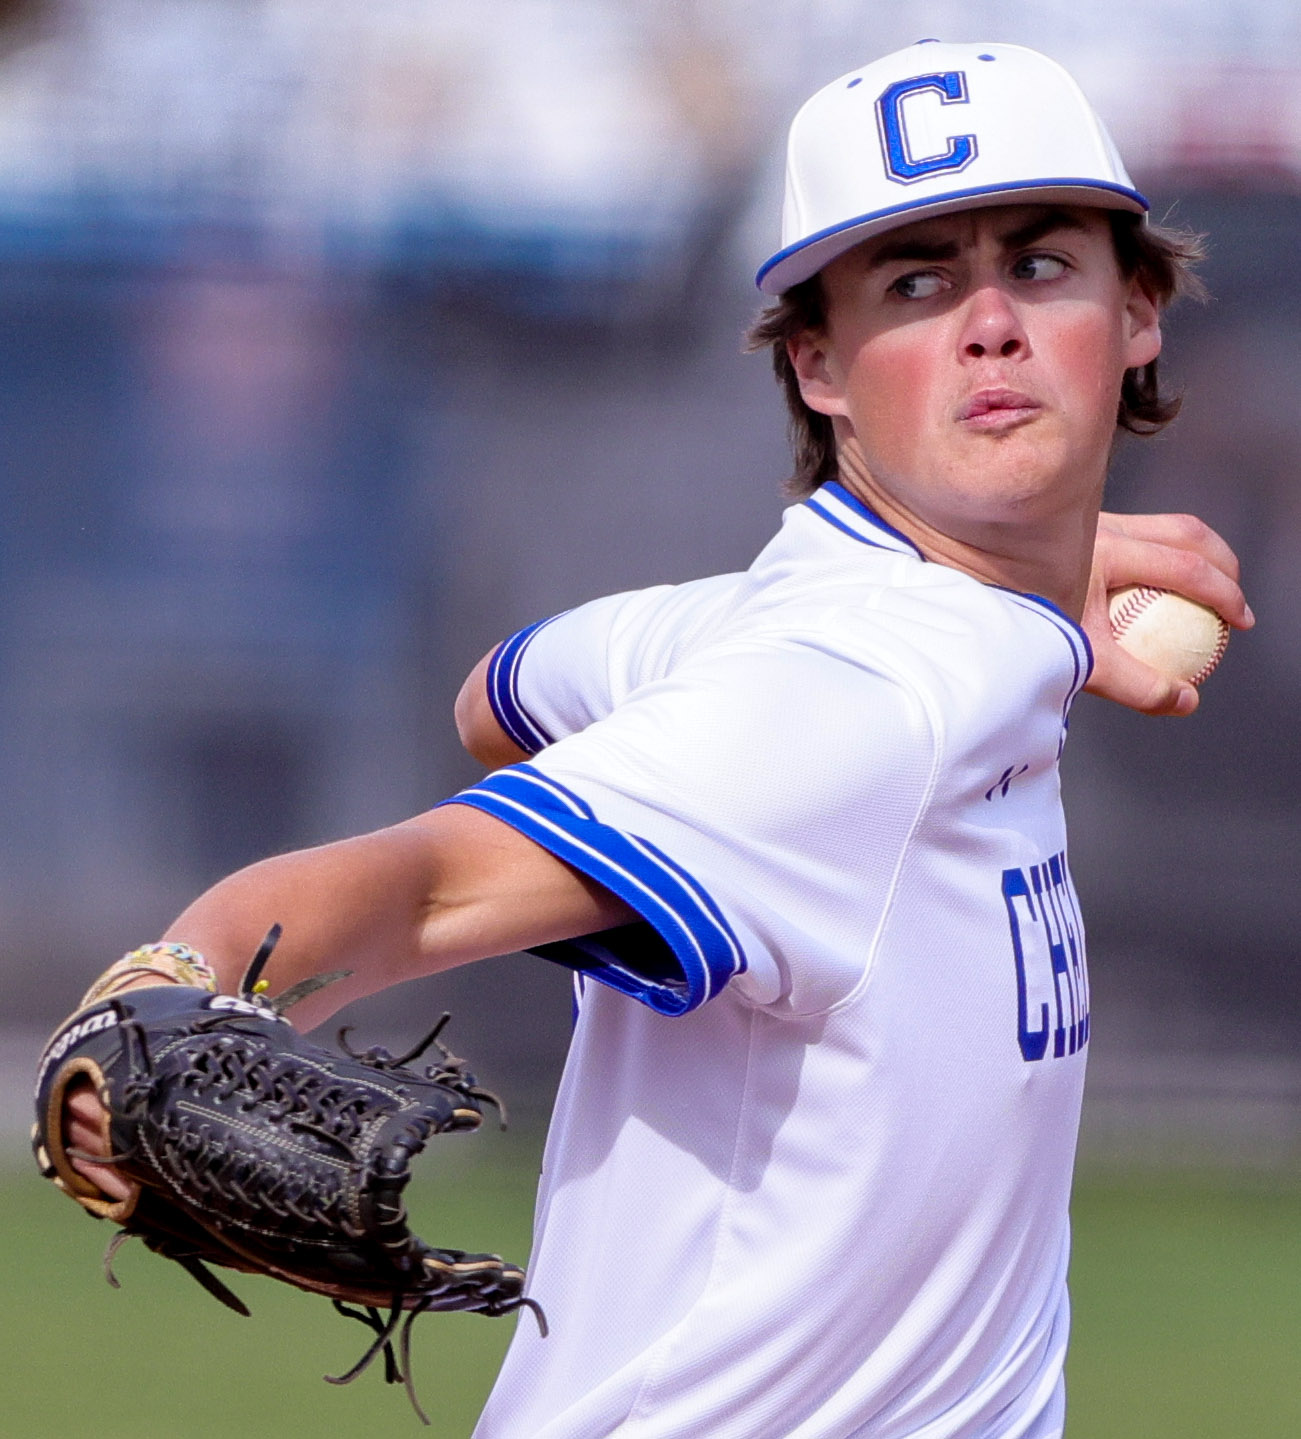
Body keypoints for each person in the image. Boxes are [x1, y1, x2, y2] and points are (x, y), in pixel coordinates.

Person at [62, 40, 1251, 1439]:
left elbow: (498, 697)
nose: (988, 322)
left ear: (1138, 311)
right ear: (814, 362)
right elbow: (433, 882)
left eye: (1040, 265)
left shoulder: (798, 622)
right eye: (915, 285)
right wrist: (174, 979)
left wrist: (1033, 571)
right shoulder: (867, 694)